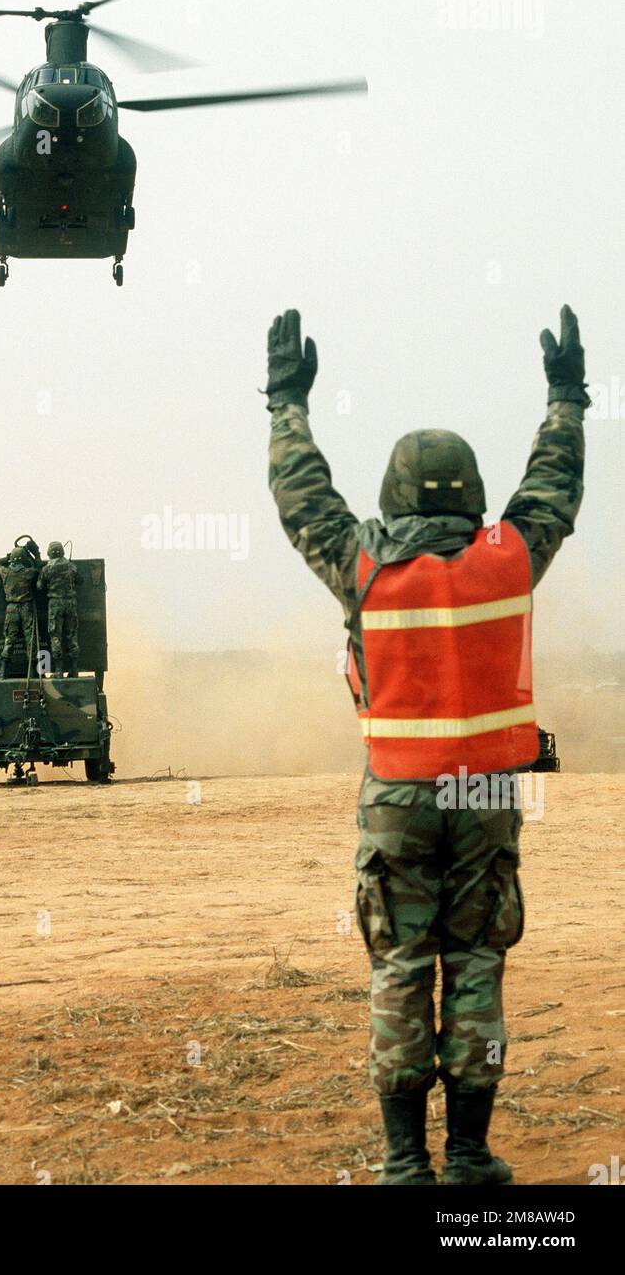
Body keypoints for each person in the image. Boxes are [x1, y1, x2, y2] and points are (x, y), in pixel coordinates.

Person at [266, 305, 588, 1185]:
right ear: (474, 494)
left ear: (393, 495)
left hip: (398, 796)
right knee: (477, 963)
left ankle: (405, 1160)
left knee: (402, 969)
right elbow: (554, 487)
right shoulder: (509, 557)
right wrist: (567, 399)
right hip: (487, 797)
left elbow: (303, 498)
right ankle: (472, 1155)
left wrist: (284, 403)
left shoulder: (364, 566)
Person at [0, 546, 39, 679]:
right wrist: (32, 556)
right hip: (26, 608)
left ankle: (2, 671)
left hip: (11, 608)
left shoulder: (5, 572)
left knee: (9, 640)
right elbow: (38, 568)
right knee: (30, 639)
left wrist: (7, 558)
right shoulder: (28, 572)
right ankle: (33, 672)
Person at [38, 541, 82, 678]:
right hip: (70, 603)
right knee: (72, 635)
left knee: (55, 636)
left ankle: (58, 670)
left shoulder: (47, 569)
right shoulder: (71, 566)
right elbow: (80, 580)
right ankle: (74, 669)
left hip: (55, 604)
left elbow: (39, 586)